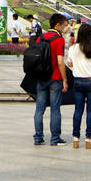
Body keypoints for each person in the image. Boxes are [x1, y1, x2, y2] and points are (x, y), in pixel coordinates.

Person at [31, 13, 70, 147]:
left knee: (39, 109)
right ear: (57, 25)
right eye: (65, 25)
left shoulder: (41, 37)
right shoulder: (59, 40)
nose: (67, 27)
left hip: (41, 77)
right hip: (55, 78)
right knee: (55, 109)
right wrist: (65, 79)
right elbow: (60, 62)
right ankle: (55, 138)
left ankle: (38, 137)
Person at [65, 22, 91, 149]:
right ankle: (88, 139)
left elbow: (69, 64)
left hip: (78, 81)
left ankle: (75, 138)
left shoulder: (73, 48)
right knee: (90, 111)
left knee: (78, 110)